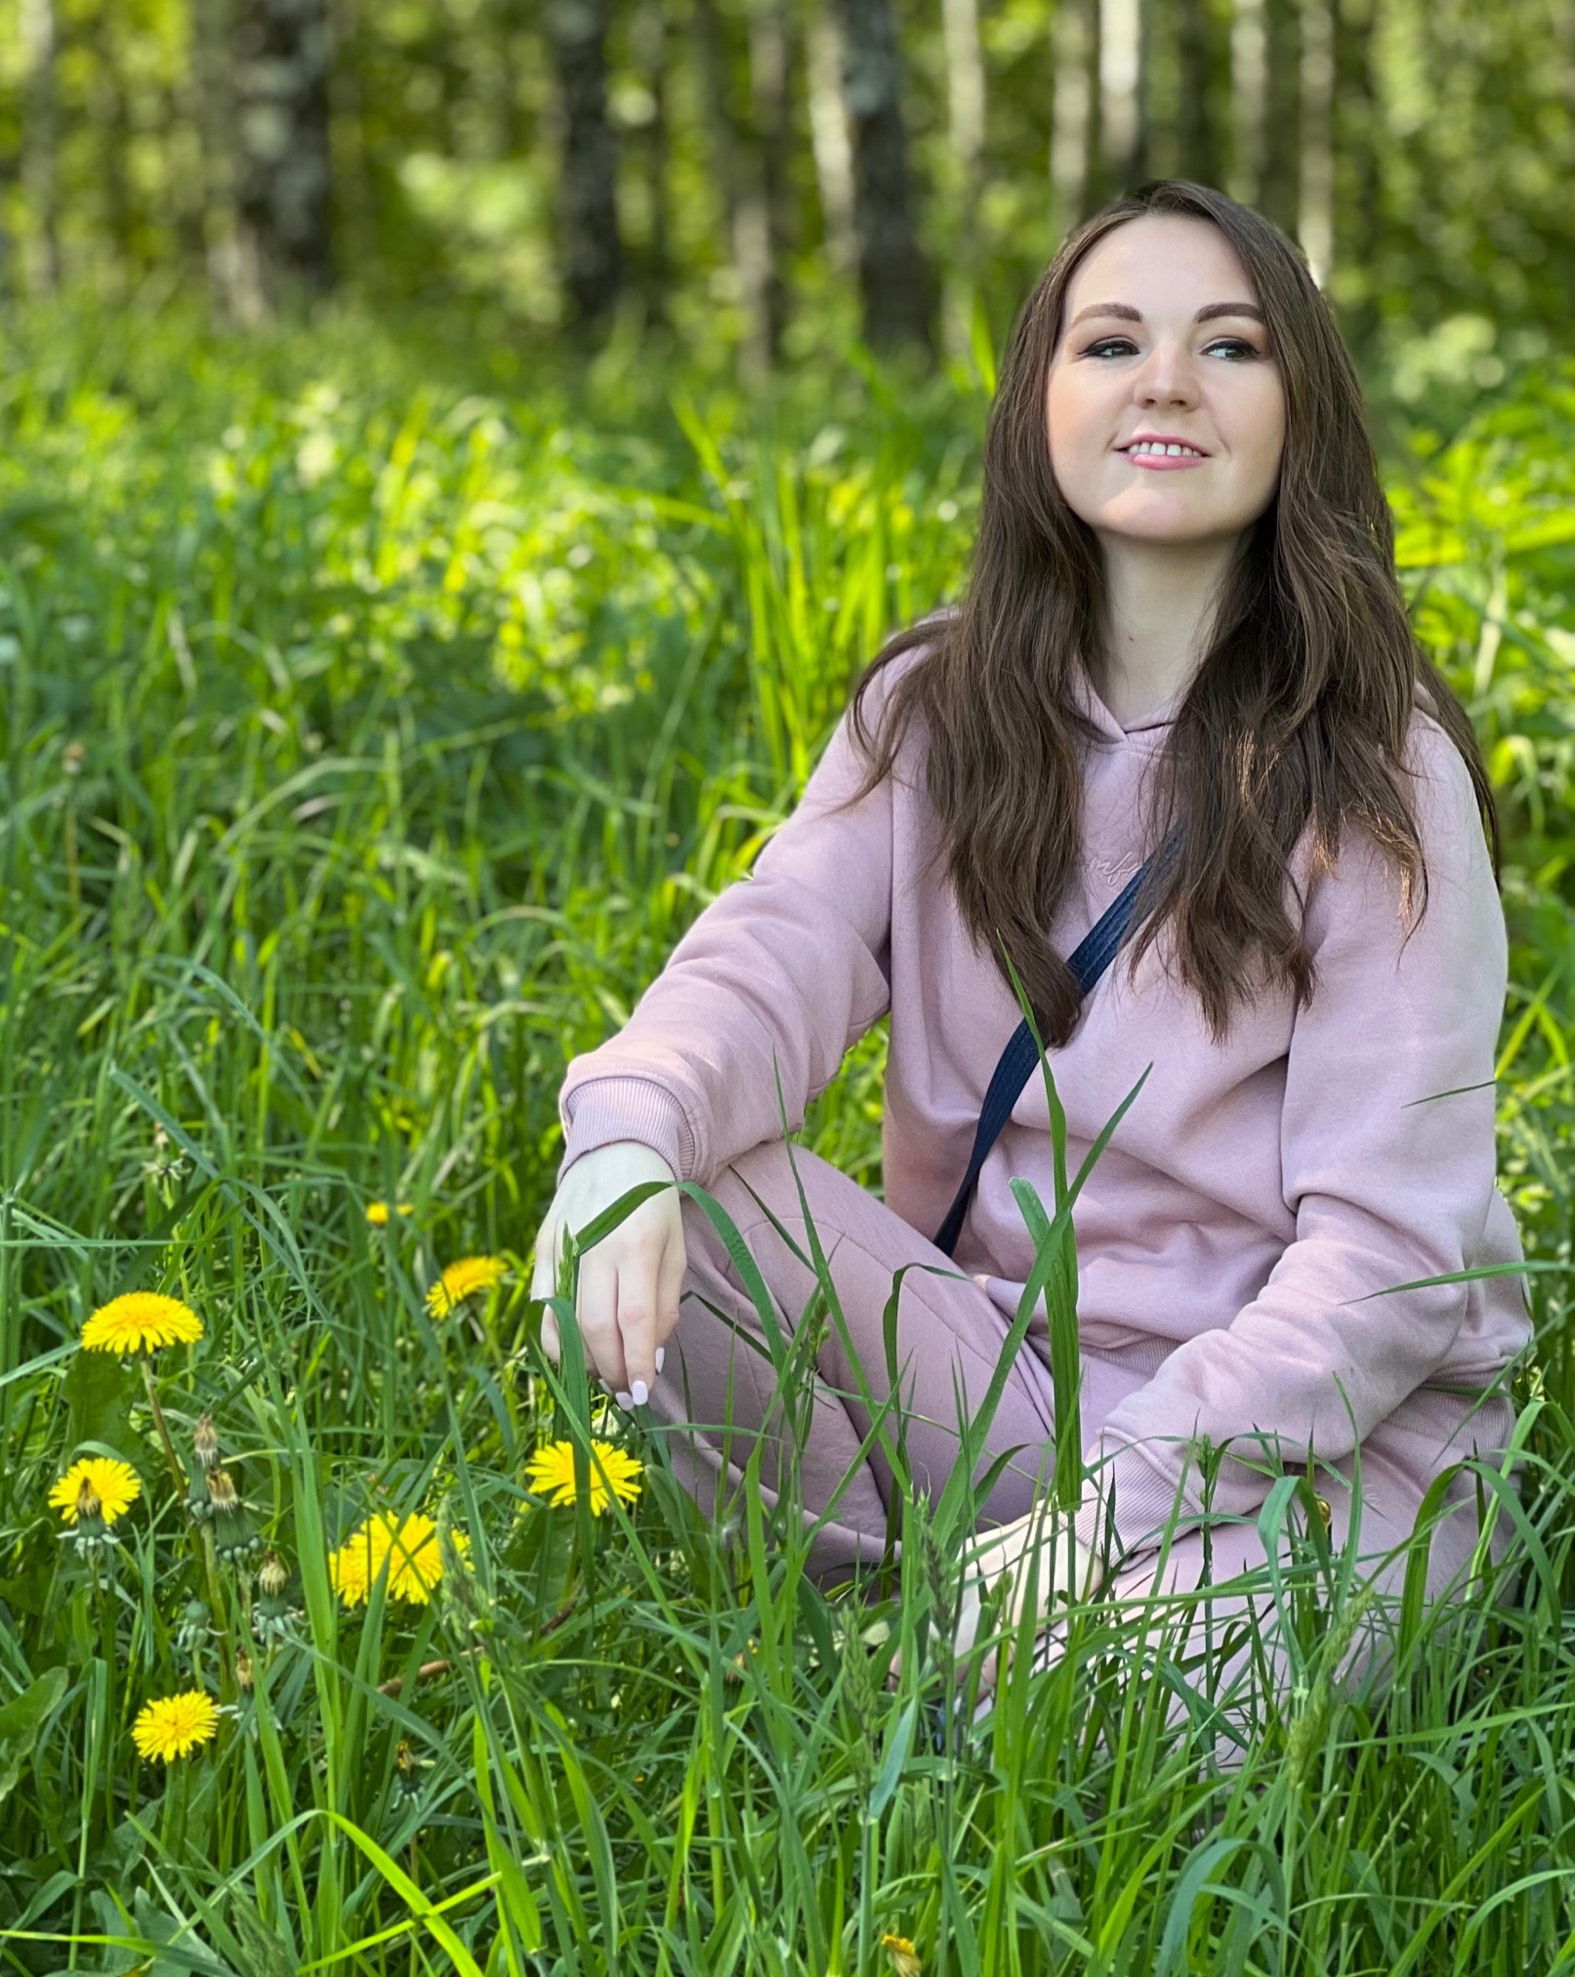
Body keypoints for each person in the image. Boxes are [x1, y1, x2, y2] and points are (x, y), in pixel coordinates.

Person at [526, 180, 1533, 1748]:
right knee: (676, 1195)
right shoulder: (940, 708)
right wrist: (627, 1140)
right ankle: (937, 1620)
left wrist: (1115, 1515)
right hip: (1008, 1379)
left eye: (1233, 347)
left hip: (1321, 1442)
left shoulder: (1377, 772)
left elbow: (1394, 1267)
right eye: (1112, 339)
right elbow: (771, 950)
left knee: (1075, 1725)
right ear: (1041, 405)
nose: (1167, 383)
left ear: (1300, 416)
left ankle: (974, 1638)